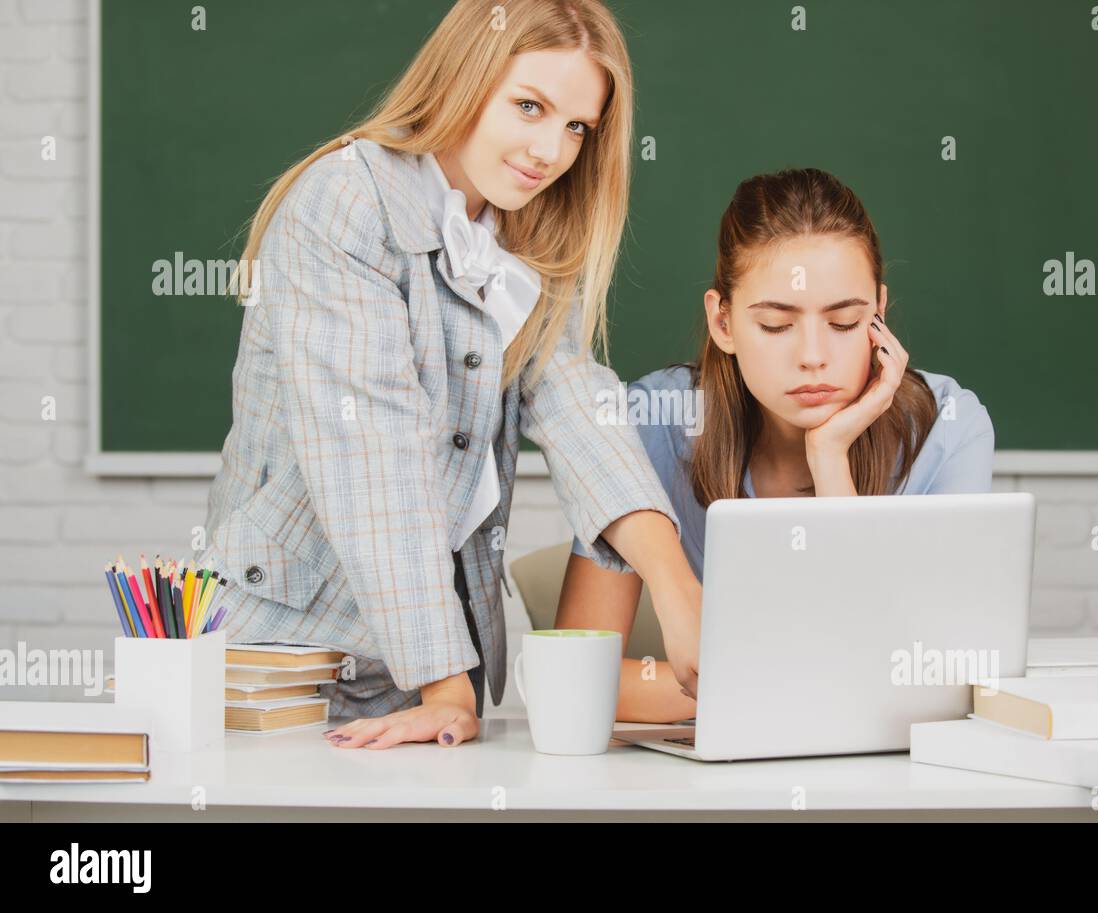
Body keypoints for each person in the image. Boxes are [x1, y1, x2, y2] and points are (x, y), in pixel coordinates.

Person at [196, 0, 704, 749]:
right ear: (466, 75)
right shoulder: (346, 203)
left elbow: (578, 411)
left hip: (434, 672)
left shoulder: (523, 232)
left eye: (576, 128)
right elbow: (372, 458)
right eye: (529, 106)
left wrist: (677, 584)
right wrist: (446, 685)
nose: (550, 151)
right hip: (288, 662)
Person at [555, 167, 995, 723]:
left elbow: (939, 675)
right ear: (724, 321)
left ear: (878, 315)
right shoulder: (652, 422)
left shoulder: (951, 428)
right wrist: (799, 686)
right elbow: (579, 678)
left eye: (844, 321)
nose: (813, 355)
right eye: (776, 325)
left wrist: (830, 458)